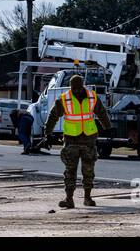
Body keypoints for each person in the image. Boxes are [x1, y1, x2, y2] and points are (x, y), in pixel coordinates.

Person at [43, 74, 111, 208]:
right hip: (71, 139)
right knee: (70, 170)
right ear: (71, 87)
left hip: (89, 139)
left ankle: (87, 197)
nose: (77, 91)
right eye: (74, 88)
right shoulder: (64, 99)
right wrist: (48, 132)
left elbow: (101, 112)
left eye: (79, 88)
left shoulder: (92, 97)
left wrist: (107, 127)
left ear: (83, 86)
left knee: (88, 169)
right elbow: (53, 115)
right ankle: (69, 199)